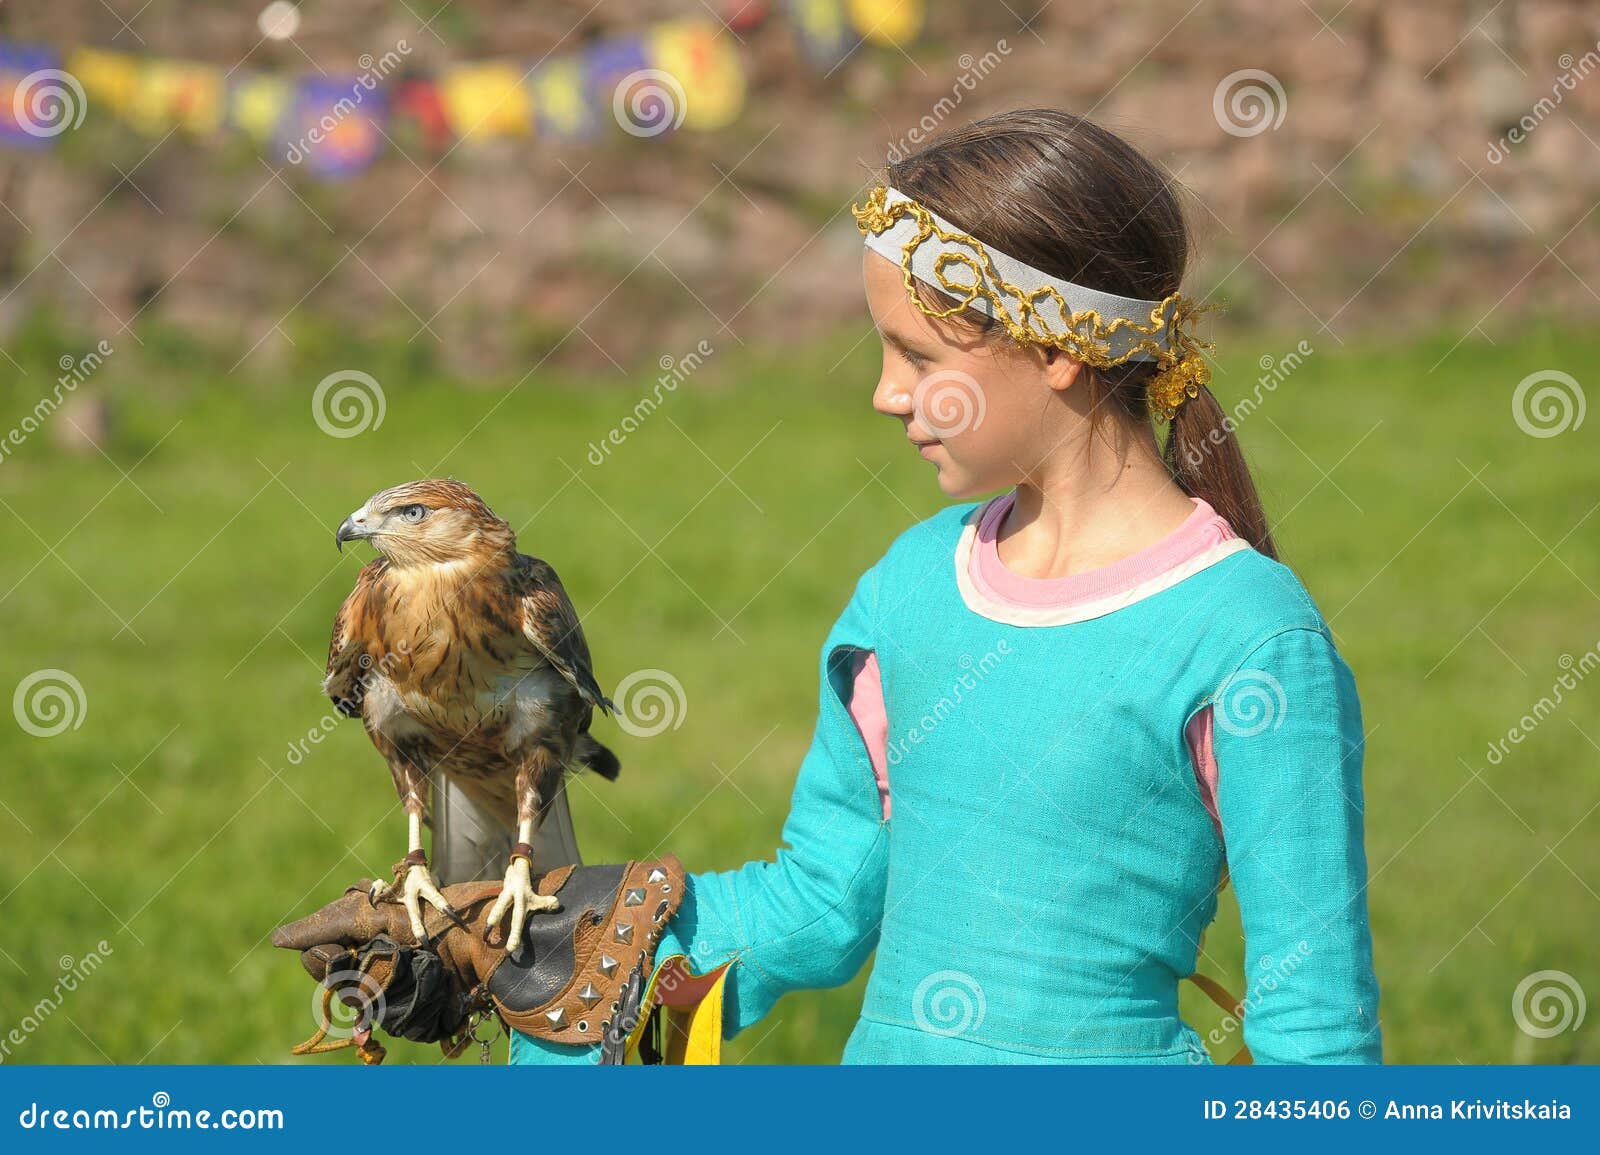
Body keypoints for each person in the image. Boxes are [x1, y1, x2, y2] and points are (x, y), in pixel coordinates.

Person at [514, 108, 1382, 1065]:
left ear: (1056, 348)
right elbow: (824, 899)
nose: (886, 392)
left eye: (918, 355)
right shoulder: (909, 589)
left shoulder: (1249, 638)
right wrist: (582, 941)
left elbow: (1316, 1030)